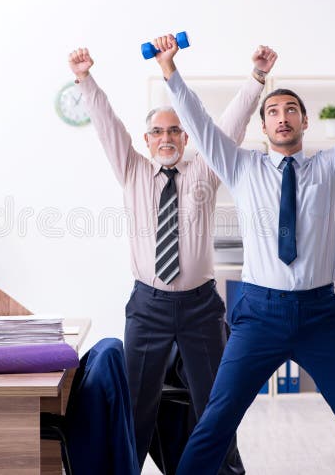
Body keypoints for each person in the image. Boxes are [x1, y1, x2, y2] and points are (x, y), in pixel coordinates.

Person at [150, 28, 335, 475]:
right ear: (263, 125)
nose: (282, 116)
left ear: (305, 123)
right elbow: (200, 125)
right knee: (217, 419)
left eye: (291, 110)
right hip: (259, 315)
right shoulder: (242, 166)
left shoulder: (331, 168)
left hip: (319, 316)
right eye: (273, 111)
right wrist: (170, 70)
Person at [67, 45, 275, 473]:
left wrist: (256, 78)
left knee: (216, 406)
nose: (166, 138)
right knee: (136, 411)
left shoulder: (204, 170)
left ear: (186, 137)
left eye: (175, 131)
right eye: (158, 132)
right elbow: (107, 124)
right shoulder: (132, 170)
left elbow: (229, 128)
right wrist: (86, 80)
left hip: (201, 307)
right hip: (148, 308)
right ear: (147, 140)